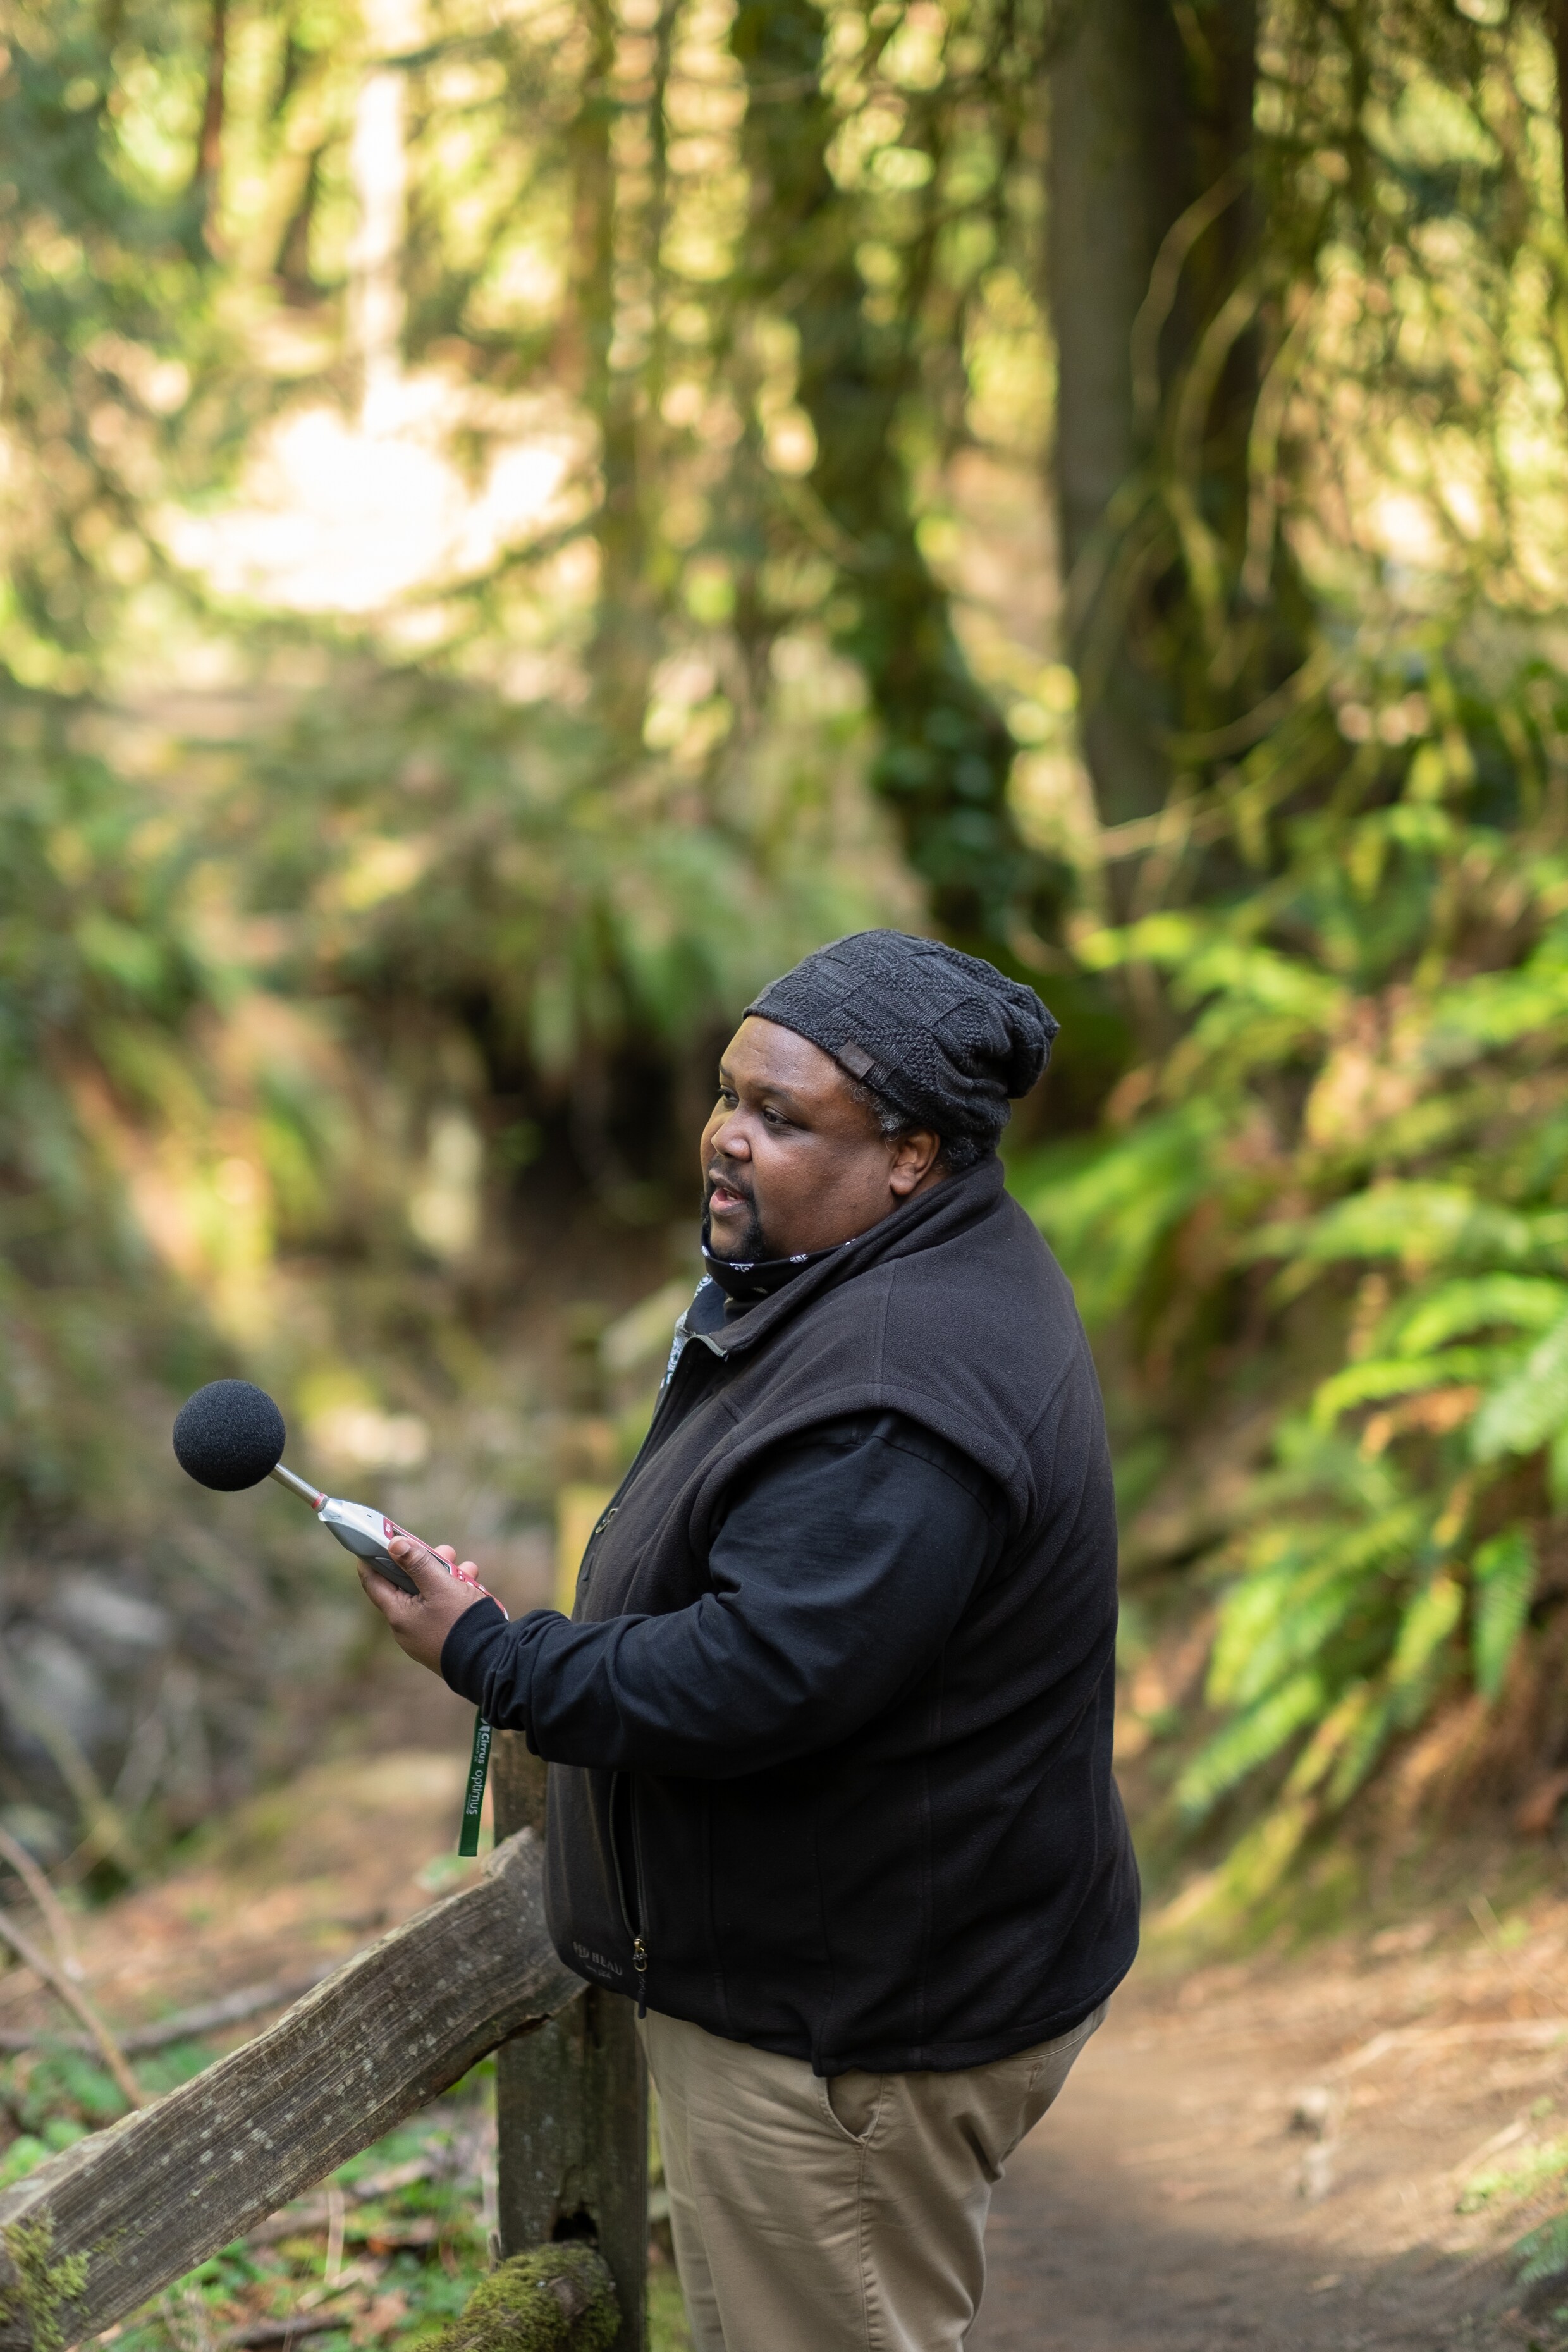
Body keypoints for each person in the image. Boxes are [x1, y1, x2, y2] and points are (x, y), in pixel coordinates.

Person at [358, 929, 1139, 2352]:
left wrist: (494, 1654)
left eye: (782, 1118)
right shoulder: (894, 1268)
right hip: (859, 1978)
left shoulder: (896, 1389)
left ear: (911, 1154)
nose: (725, 1139)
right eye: (730, 1094)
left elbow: (755, 1674)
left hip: (849, 2033)